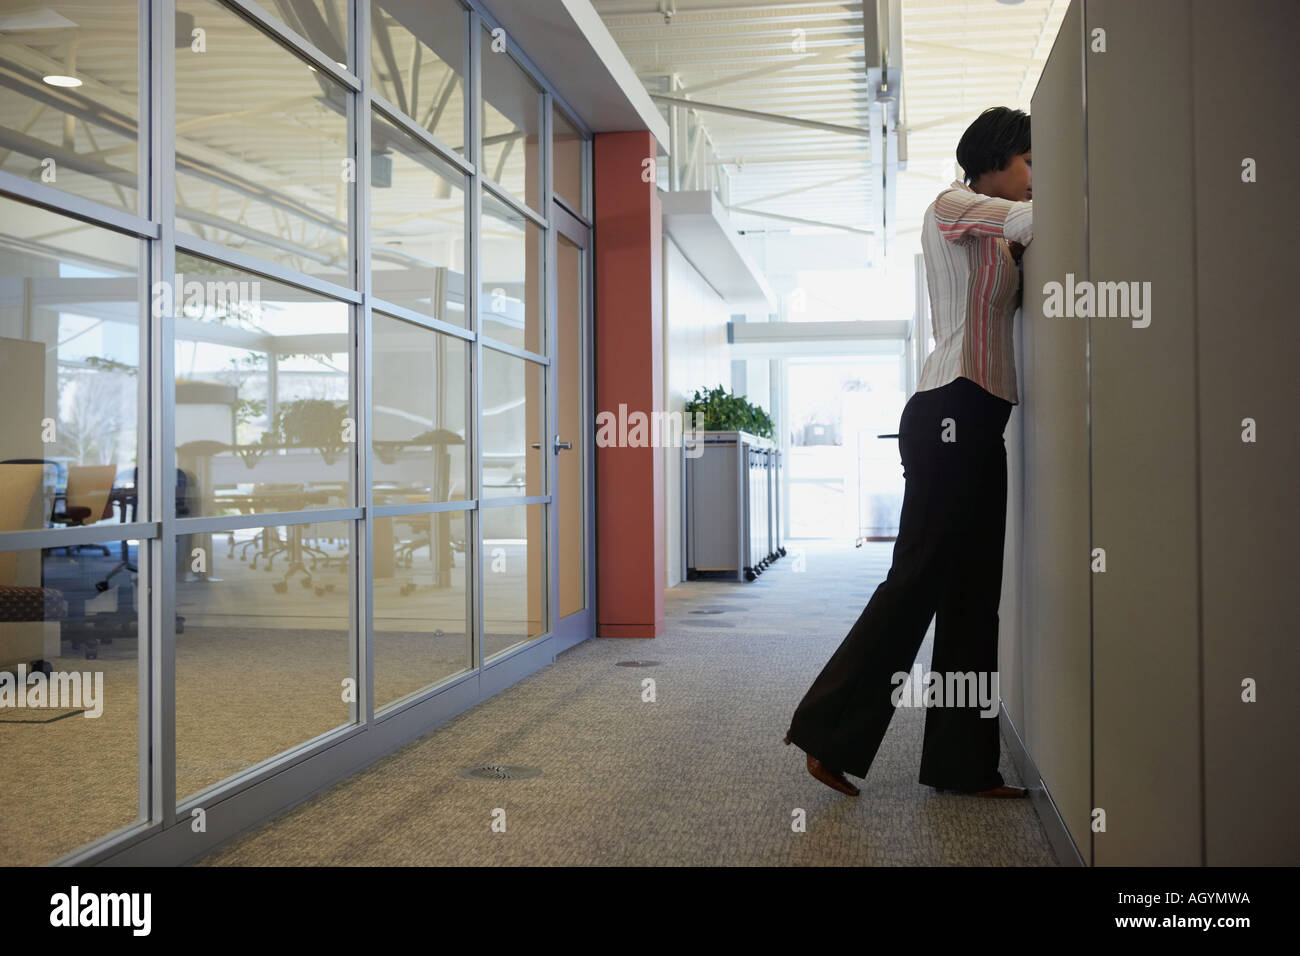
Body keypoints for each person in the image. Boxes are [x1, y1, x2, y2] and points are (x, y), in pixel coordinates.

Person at [783, 106, 1034, 799]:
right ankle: (827, 731)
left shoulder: (996, 236)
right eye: (1030, 161)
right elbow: (1023, 222)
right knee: (918, 576)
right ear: (994, 158)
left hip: (985, 416)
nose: (1035, 177)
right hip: (948, 408)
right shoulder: (954, 204)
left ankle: (963, 765)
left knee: (974, 597)